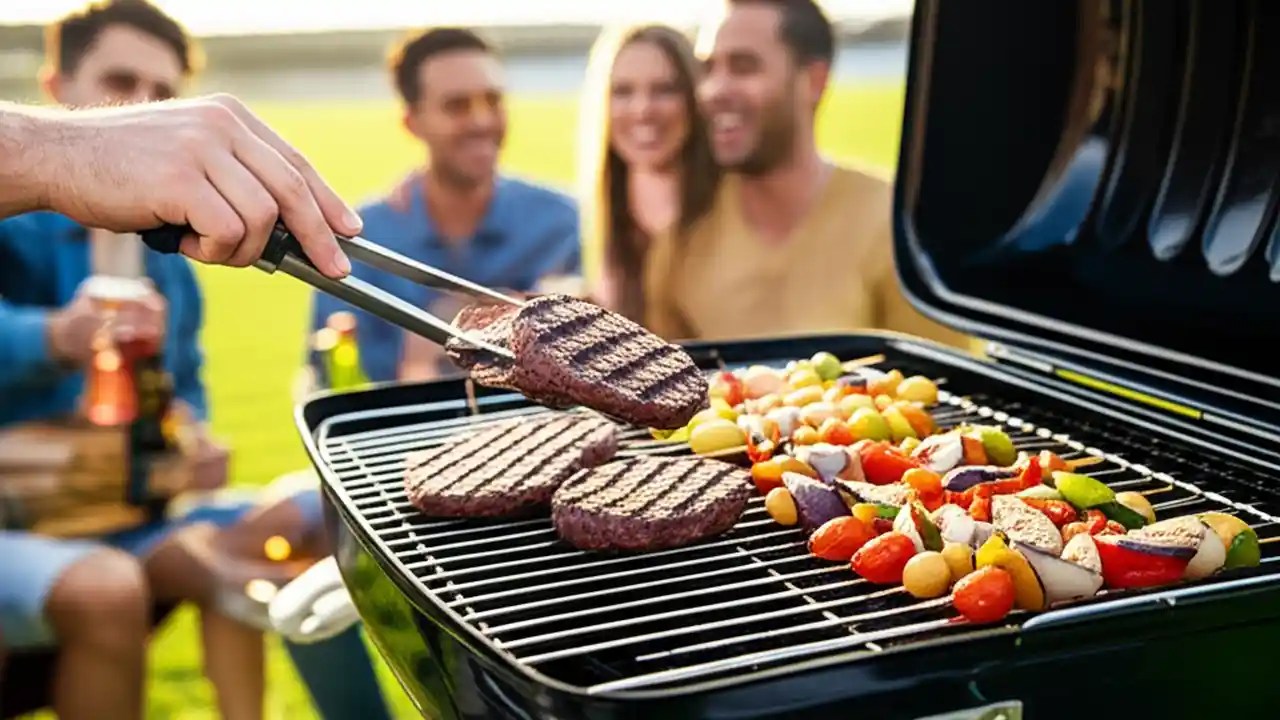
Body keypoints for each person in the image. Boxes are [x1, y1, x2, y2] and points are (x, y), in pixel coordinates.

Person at [0, 3, 389, 719]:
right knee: (118, 585)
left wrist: (195, 436)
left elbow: (191, 387)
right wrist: (54, 336)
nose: (144, 110)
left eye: (162, 92)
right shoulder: (15, 228)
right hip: (23, 517)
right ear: (55, 87)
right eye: (121, 82)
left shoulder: (168, 257)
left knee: (301, 529)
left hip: (134, 510)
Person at [644, 0, 970, 347]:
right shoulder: (682, 238)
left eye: (744, 67)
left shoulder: (896, 227)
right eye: (708, 69)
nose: (714, 90)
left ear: (814, 81)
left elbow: (940, 387)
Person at [304, 27, 579, 385]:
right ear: (411, 123)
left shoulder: (562, 222)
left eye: (493, 100)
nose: (481, 121)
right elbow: (326, 386)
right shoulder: (356, 244)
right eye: (456, 106)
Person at [576, 24, 719, 324]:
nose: (642, 109)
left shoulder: (734, 202)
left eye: (664, 90)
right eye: (623, 92)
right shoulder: (610, 206)